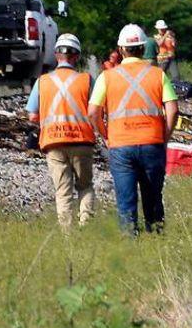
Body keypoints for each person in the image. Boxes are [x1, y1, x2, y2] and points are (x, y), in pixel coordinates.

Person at [88, 24, 179, 234]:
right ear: (142, 48)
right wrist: (164, 137)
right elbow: (173, 111)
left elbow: (93, 112)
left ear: (121, 50)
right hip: (152, 144)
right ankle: (156, 242)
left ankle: (131, 244)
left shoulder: (106, 77)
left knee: (126, 202)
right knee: (153, 199)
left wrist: (106, 136)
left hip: (120, 145)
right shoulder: (158, 75)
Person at [27, 34, 96, 230]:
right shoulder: (87, 80)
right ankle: (87, 228)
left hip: (54, 143)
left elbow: (32, 116)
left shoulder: (42, 81)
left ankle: (67, 236)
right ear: (77, 56)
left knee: (63, 191)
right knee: (85, 186)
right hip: (82, 142)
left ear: (57, 55)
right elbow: (96, 110)